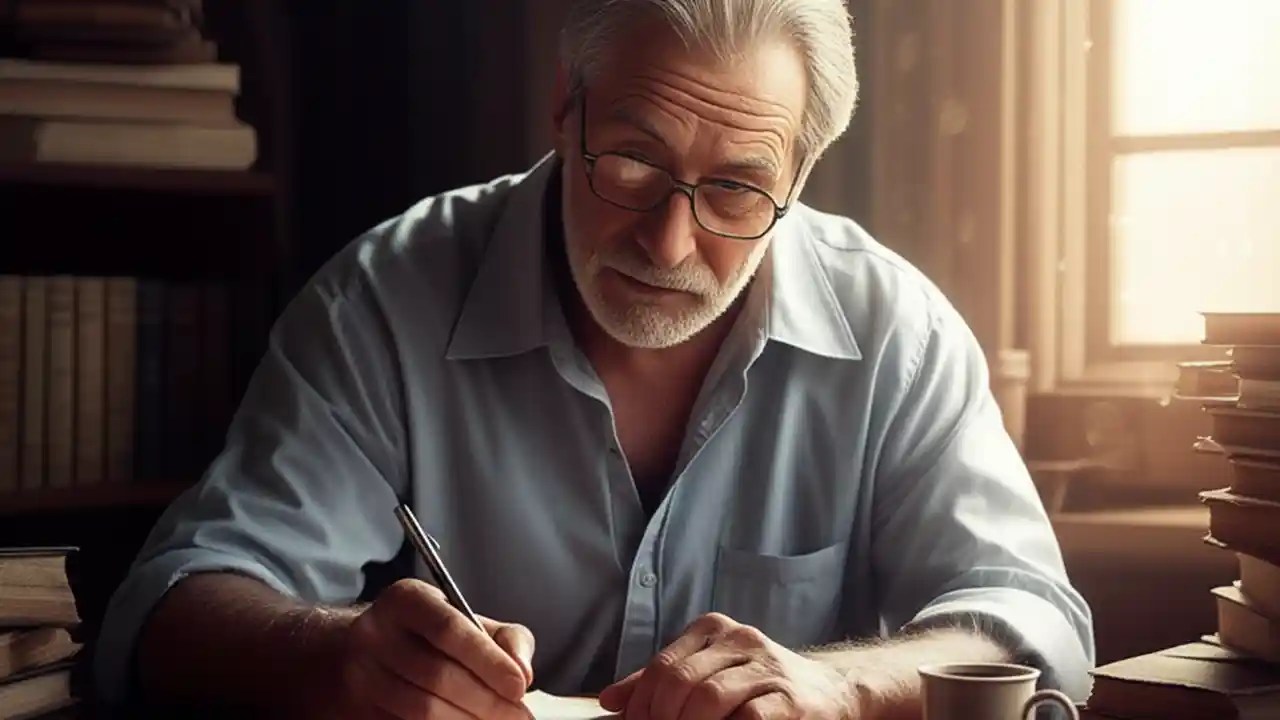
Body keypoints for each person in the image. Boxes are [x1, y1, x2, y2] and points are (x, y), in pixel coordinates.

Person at [94, 1, 1094, 718]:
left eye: (739, 191)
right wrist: (328, 658)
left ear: (801, 174)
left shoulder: (894, 333)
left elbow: (1022, 619)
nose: (668, 244)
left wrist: (836, 684)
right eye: (631, 161)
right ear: (565, 113)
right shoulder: (385, 300)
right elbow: (169, 605)